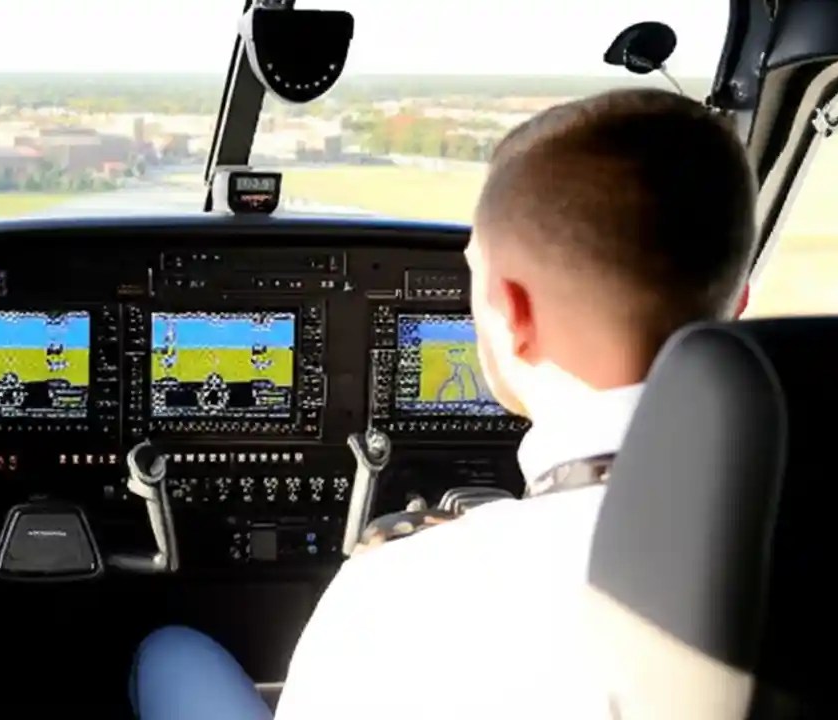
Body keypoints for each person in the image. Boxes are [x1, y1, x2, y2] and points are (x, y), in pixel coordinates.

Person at [129, 87, 757, 719]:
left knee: (172, 653)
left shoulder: (406, 593)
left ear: (512, 313)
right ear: (737, 306)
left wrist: (449, 549)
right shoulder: (802, 534)